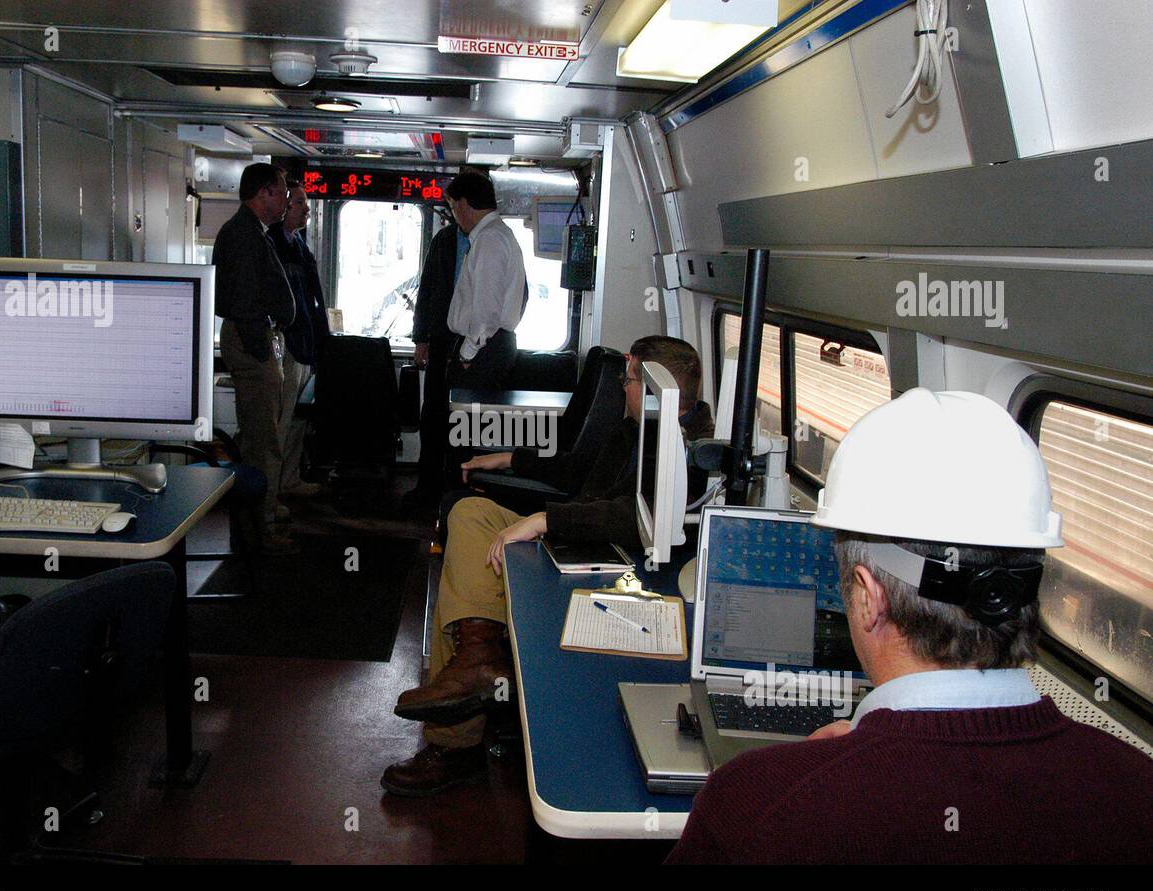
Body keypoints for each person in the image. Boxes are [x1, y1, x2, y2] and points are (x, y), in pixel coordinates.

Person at [667, 389, 1153, 864]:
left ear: (867, 596)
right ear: (1021, 586)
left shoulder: (761, 803)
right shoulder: (1137, 786)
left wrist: (800, 774)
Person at [381, 336, 714, 796]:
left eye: (631, 378)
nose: (623, 386)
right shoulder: (633, 429)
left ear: (663, 391)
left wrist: (546, 519)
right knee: (467, 515)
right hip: (574, 536)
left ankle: (454, 745)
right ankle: (477, 656)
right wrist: (513, 457)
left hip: (607, 559)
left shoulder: (688, 455)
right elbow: (578, 472)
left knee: (465, 580)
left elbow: (640, 517)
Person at [213, 162, 297, 554]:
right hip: (251, 341)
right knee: (263, 439)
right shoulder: (244, 236)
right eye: (280, 192)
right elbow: (246, 301)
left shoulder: (250, 232)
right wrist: (264, 351)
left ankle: (260, 512)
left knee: (261, 434)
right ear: (262, 193)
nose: (285, 200)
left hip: (255, 338)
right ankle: (260, 531)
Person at [439, 171, 528, 485]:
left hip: (484, 349)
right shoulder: (499, 235)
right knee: (468, 431)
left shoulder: (489, 240)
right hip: (493, 346)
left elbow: (486, 311)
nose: (455, 217)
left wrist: (466, 353)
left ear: (463, 204)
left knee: (464, 434)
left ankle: (462, 500)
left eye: (452, 208)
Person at [402, 215, 469, 509]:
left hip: (474, 344)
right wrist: (421, 338)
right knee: (433, 418)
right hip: (442, 340)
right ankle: (426, 488)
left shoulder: (493, 242)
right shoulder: (443, 240)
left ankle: (458, 492)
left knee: (465, 424)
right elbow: (426, 290)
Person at [268, 181, 329, 505]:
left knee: (297, 420)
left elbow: (312, 298)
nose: (307, 209)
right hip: (287, 345)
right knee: (281, 422)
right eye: (300, 203)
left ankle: (289, 479)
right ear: (284, 206)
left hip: (304, 344)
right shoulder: (273, 245)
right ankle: (272, 491)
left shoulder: (299, 245)